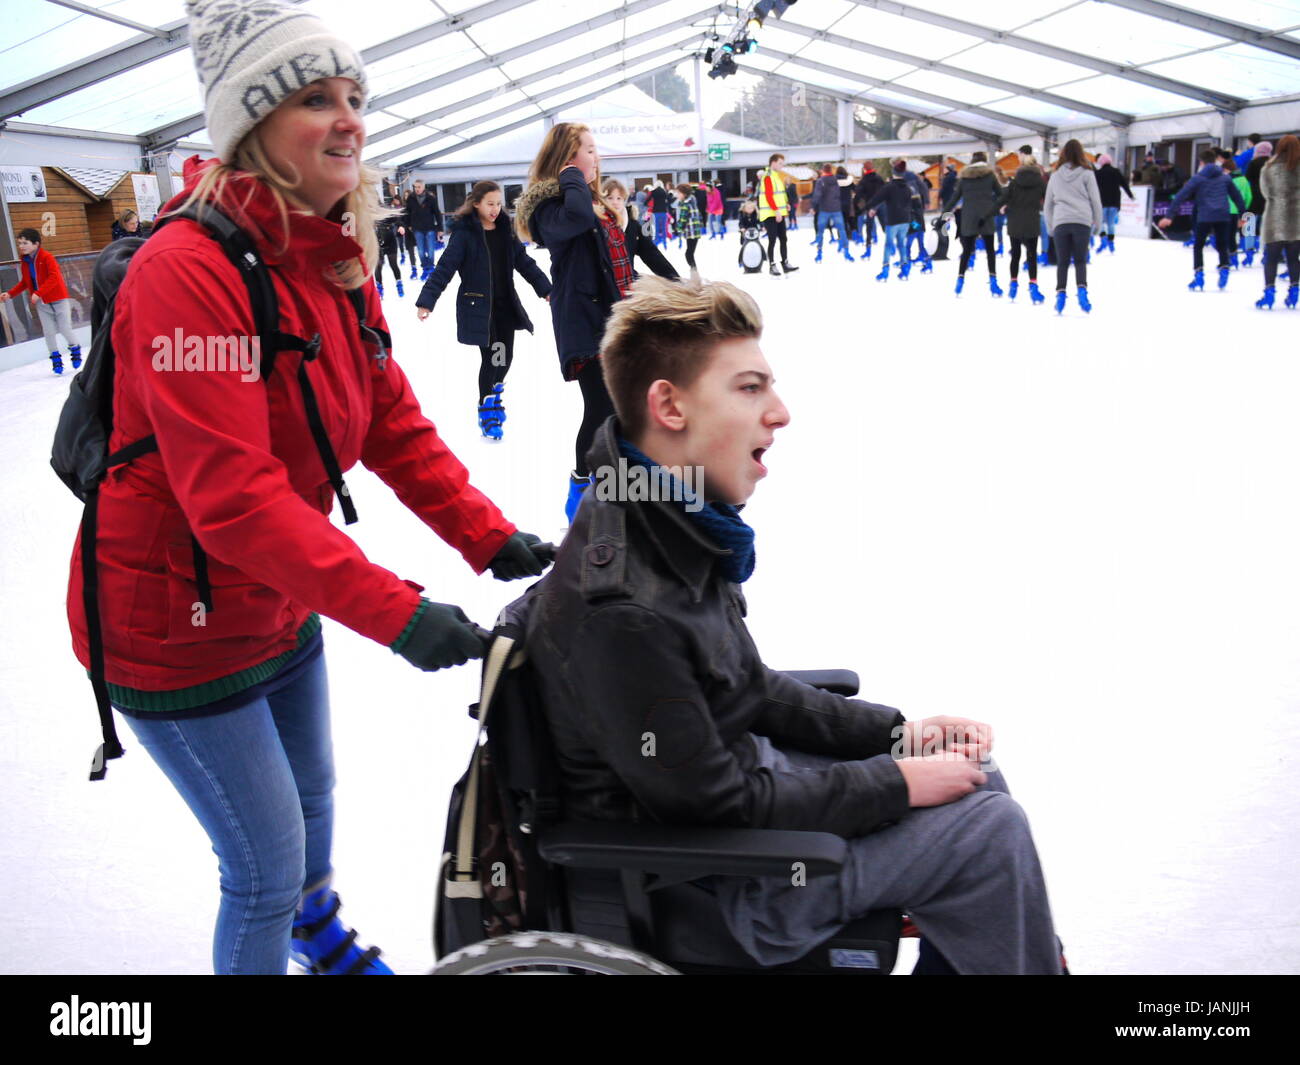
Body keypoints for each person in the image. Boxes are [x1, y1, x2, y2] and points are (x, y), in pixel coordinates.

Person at [67, 0, 552, 976]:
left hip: (274, 600)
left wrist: (487, 537)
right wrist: (400, 614)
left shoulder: (331, 252)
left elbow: (384, 418)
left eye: (353, 97)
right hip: (170, 625)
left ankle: (317, 937)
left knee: (315, 806)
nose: (348, 120)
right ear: (252, 127)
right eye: (313, 99)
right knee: (261, 866)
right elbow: (233, 497)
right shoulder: (185, 274)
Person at [521, 275, 1066, 975]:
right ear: (669, 405)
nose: (779, 413)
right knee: (988, 832)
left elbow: (752, 690)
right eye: (749, 388)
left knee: (975, 775)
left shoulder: (668, 523)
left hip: (737, 824)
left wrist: (897, 733)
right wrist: (896, 783)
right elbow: (715, 804)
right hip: (714, 889)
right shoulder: (626, 606)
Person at [515, 122, 625, 522]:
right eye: (590, 151)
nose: (598, 158)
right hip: (582, 319)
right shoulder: (551, 209)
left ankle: (613, 489)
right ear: (567, 161)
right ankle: (581, 490)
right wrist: (571, 176)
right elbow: (576, 218)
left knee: (617, 410)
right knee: (600, 406)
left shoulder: (592, 205)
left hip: (612, 317)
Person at [415, 180, 552, 439]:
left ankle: (495, 396)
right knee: (492, 358)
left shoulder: (504, 231)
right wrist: (426, 301)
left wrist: (546, 289)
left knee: (506, 356)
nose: (495, 209)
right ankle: (487, 409)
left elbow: (524, 262)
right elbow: (444, 268)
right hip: (479, 307)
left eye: (499, 204)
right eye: (490, 204)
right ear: (476, 203)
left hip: (505, 305)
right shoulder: (465, 235)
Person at [1159, 147, 1245, 291]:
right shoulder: (1225, 177)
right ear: (1215, 160)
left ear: (1201, 162)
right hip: (1223, 215)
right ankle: (1224, 268)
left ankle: (1199, 275)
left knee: (1198, 246)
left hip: (1204, 216)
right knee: (1222, 244)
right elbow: (1237, 197)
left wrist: (1169, 216)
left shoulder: (1198, 178)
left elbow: (1181, 195)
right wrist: (1243, 216)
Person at [1, 228, 81, 373]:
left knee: (64, 328)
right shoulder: (25, 261)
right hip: (41, 303)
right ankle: (55, 359)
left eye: (25, 243)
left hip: (58, 299)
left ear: (36, 244)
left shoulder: (47, 257)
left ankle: (75, 347)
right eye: (19, 243)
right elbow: (25, 282)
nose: (21, 246)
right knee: (48, 332)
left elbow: (54, 278)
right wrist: (10, 294)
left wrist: (38, 292)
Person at [1042, 139, 1103, 314]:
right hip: (1082, 221)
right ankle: (1082, 293)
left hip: (1061, 222)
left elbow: (1048, 205)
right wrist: (1097, 225)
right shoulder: (1087, 173)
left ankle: (1060, 296)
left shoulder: (1055, 175)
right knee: (1080, 260)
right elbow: (1096, 201)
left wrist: (1050, 227)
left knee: (1062, 262)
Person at [940, 152, 1004, 297]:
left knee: (967, 250)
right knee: (990, 251)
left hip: (968, 217)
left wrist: (943, 215)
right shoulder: (990, 176)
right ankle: (993, 283)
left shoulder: (964, 178)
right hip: (986, 216)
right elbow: (1001, 195)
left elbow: (954, 199)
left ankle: (960, 281)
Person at [1256, 134, 1300, 310]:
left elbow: (1265, 193)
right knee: (1293, 258)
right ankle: (1294, 289)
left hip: (1275, 218)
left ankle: (1269, 293)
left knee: (1271, 258)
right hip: (1297, 218)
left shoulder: (1269, 167)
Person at [998, 154, 1047, 303]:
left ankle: (1013, 284)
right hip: (1032, 221)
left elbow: (1005, 198)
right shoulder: (1040, 181)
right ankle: (1033, 286)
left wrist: (1004, 207)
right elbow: (1048, 198)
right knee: (1031, 255)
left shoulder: (1014, 182)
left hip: (1015, 222)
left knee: (1015, 255)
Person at [864, 160, 917, 281]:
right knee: (901, 245)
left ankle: (885, 271)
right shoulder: (908, 188)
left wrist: (868, 208)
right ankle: (904, 271)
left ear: (893, 173)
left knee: (888, 245)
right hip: (905, 220)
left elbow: (876, 199)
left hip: (893, 220)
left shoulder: (889, 187)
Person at [756, 153, 799, 276]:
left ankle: (785, 263)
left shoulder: (776, 176)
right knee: (772, 240)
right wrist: (776, 210)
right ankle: (772, 265)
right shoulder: (768, 176)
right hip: (770, 214)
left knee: (783, 239)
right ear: (773, 163)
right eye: (780, 163)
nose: (782, 165)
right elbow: (769, 196)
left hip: (778, 212)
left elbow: (778, 194)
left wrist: (785, 204)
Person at [1215, 149, 1253, 266]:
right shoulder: (1243, 179)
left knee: (1225, 236)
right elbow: (1249, 196)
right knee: (1236, 235)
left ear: (1226, 169)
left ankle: (1229, 259)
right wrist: (1243, 208)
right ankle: (1237, 257)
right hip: (1239, 211)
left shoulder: (1226, 180)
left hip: (1226, 211)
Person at [810, 164, 851, 262]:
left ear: (823, 171)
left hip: (824, 209)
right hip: (836, 208)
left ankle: (819, 253)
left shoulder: (820, 181)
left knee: (820, 232)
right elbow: (839, 192)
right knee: (842, 230)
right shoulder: (835, 180)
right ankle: (846, 252)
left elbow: (817, 195)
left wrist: (813, 206)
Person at [1093, 153, 1132, 253]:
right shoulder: (1116, 172)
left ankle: (1103, 238)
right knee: (1111, 224)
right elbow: (1124, 184)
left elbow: (1092, 188)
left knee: (1100, 222)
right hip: (1114, 202)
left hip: (1102, 202)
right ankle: (1111, 242)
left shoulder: (1098, 173)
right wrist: (1130, 195)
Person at [405, 179, 444, 280]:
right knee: (421, 250)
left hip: (430, 228)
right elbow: (407, 212)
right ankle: (425, 269)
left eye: (419, 187)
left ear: (423, 187)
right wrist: (408, 224)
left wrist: (440, 228)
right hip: (417, 229)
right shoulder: (411, 198)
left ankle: (430, 269)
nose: (417, 189)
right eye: (415, 187)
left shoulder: (430, 198)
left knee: (430, 250)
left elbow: (437, 213)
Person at [374, 196, 403, 300]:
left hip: (390, 240)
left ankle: (399, 284)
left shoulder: (384, 209)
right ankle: (380, 289)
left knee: (393, 264)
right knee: (378, 266)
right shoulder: (366, 212)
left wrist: (400, 226)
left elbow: (397, 219)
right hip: (376, 242)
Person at [672, 182, 705, 276]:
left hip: (691, 232)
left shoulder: (685, 205)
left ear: (684, 194)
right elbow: (699, 215)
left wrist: (678, 229)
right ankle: (694, 271)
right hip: (695, 232)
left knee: (689, 254)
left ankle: (694, 272)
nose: (677, 195)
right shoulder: (692, 202)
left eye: (678, 193)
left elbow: (683, 219)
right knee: (690, 253)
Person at [854, 161, 885, 256]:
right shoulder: (879, 178)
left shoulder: (864, 180)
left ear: (864, 169)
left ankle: (868, 250)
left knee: (869, 227)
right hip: (881, 204)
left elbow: (858, 194)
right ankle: (892, 247)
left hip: (871, 205)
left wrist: (856, 205)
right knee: (885, 226)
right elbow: (885, 190)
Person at [648, 180, 671, 248]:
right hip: (663, 212)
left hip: (655, 212)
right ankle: (664, 243)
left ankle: (656, 242)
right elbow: (669, 200)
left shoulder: (653, 192)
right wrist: (665, 204)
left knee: (656, 227)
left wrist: (650, 206)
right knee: (664, 227)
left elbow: (646, 201)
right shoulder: (664, 192)